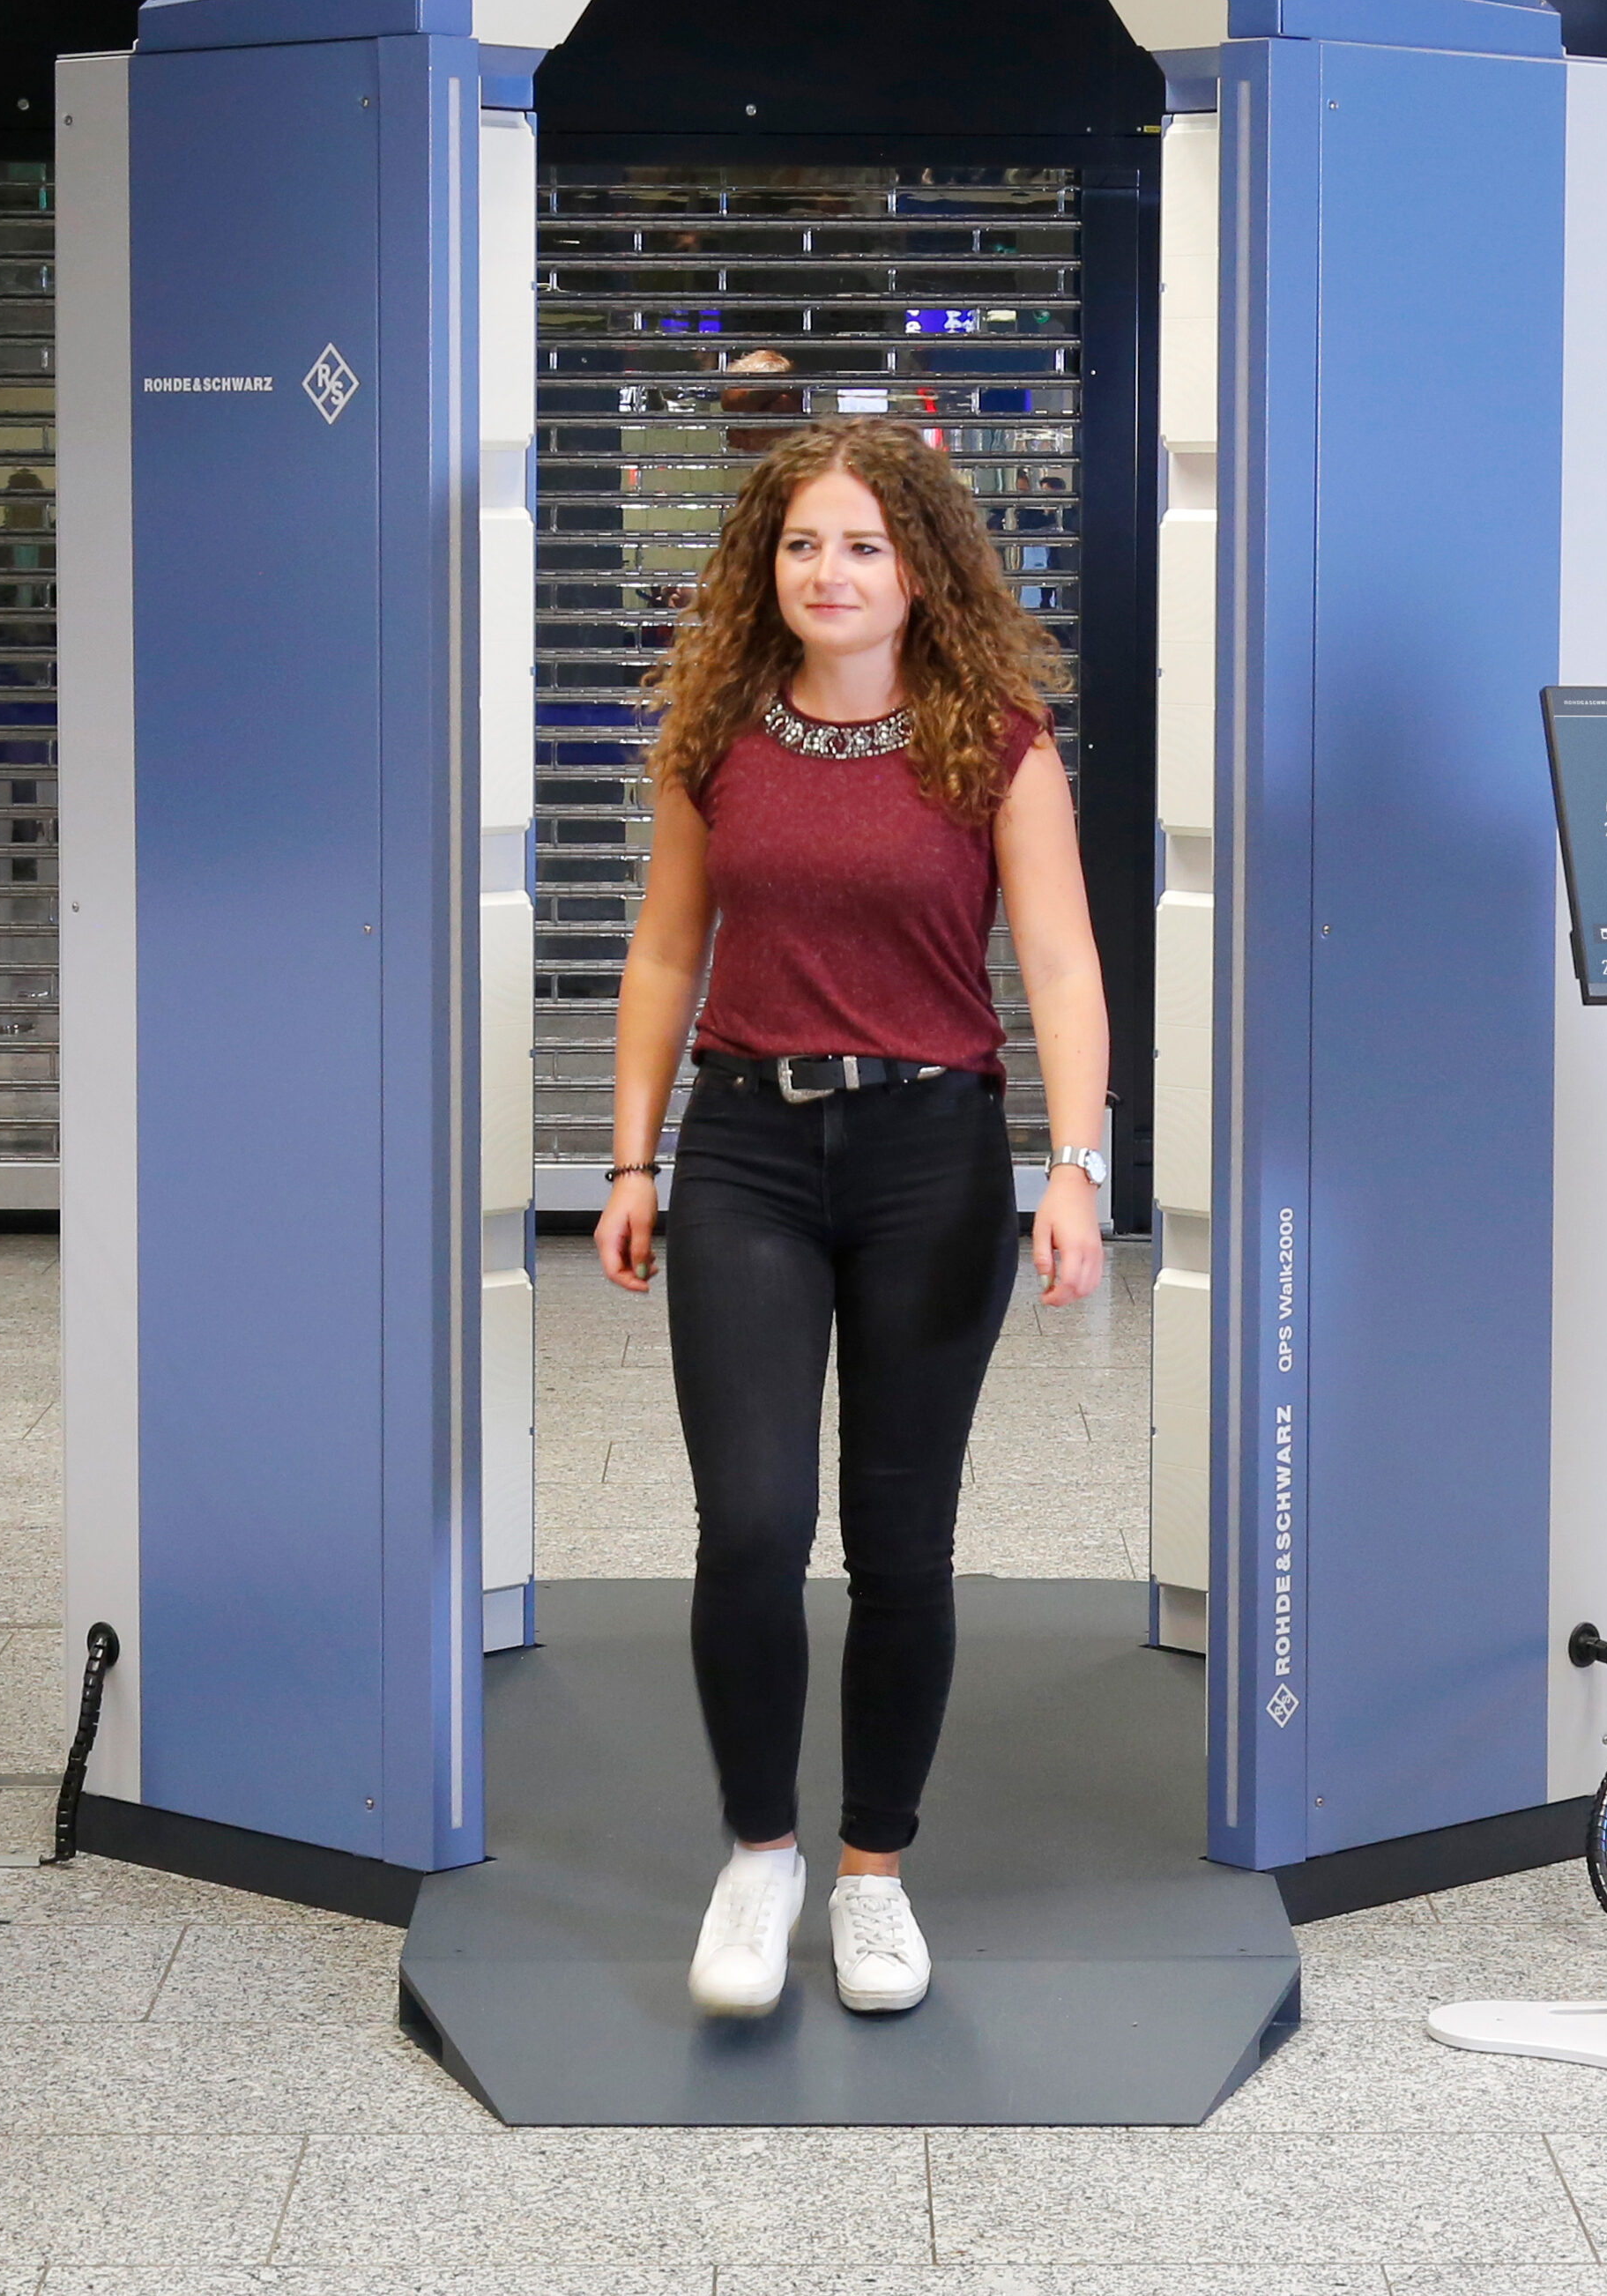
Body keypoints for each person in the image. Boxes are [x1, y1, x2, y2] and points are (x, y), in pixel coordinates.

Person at [591, 420, 1112, 2018]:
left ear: (923, 570)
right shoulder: (716, 740)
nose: (830, 572)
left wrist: (1076, 1162)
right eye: (804, 543)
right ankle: (761, 1857)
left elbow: (1065, 966)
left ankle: (874, 1872)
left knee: (901, 1544)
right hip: (746, 1152)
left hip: (929, 1161)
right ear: (768, 564)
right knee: (750, 1526)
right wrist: (629, 1160)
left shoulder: (999, 748)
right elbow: (667, 958)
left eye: (865, 545)